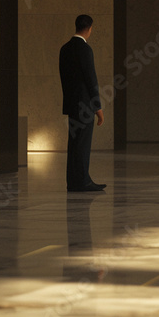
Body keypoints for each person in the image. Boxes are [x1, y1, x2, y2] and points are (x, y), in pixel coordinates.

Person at [59, 14, 106, 192]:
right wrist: (98, 108)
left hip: (71, 104)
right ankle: (83, 181)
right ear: (89, 28)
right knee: (83, 145)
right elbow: (91, 80)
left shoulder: (65, 49)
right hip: (85, 105)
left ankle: (73, 181)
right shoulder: (85, 50)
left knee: (74, 144)